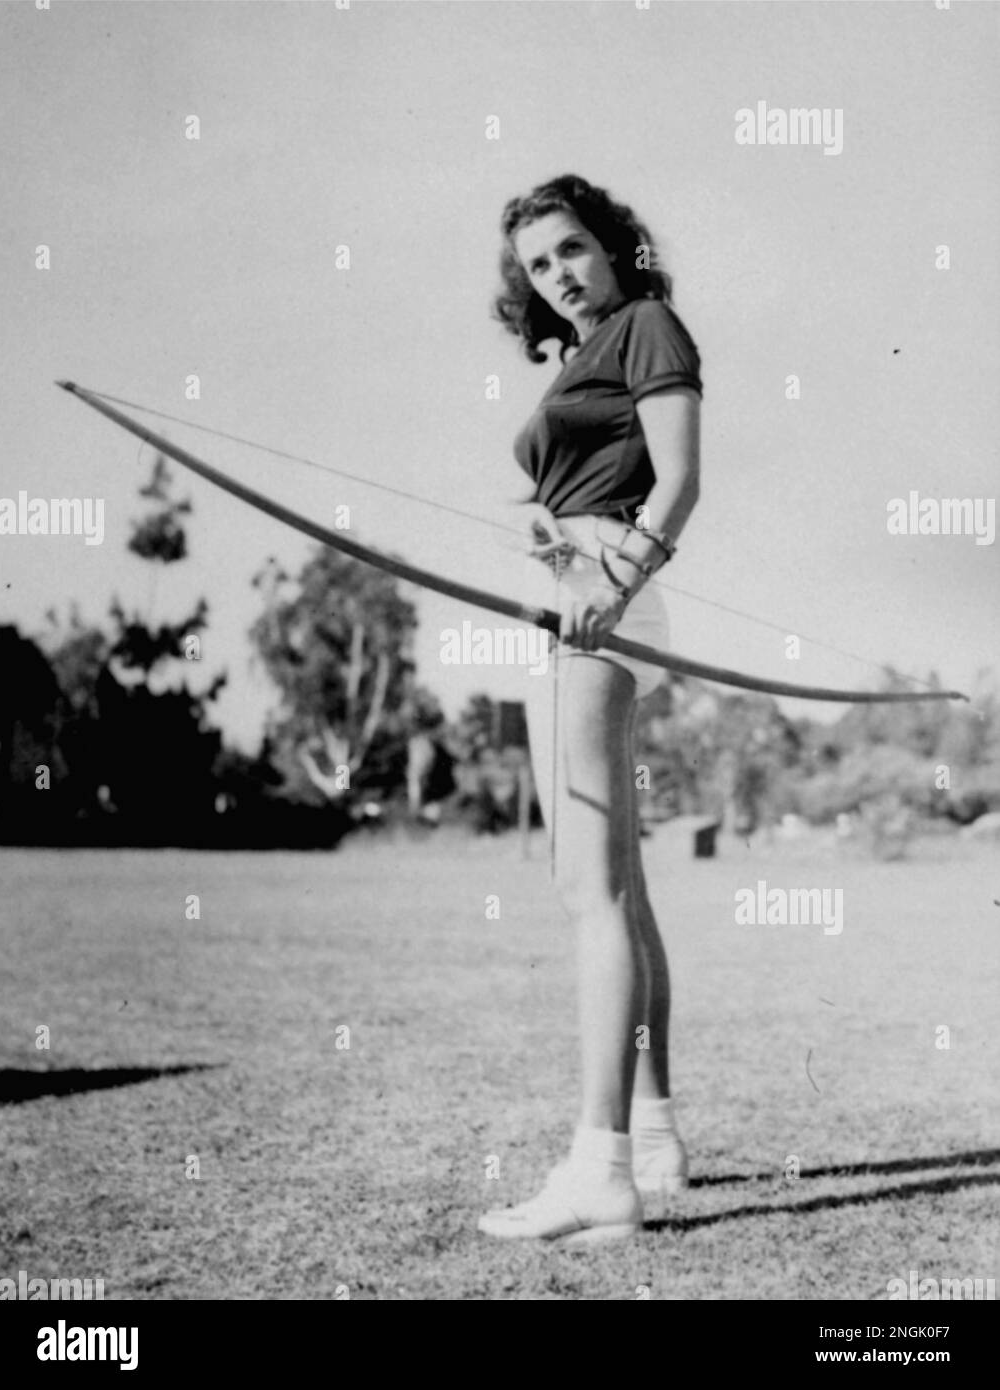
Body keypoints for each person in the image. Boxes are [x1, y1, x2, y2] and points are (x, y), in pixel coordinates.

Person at [479, 174, 703, 1244]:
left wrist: (606, 591)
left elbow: (677, 483)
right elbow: (578, 491)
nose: (558, 275)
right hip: (572, 599)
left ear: (612, 247)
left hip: (599, 609)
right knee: (619, 883)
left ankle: (597, 1169)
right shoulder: (579, 358)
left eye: (571, 250)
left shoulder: (647, 326)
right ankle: (651, 1139)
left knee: (585, 887)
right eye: (537, 265)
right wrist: (549, 539)